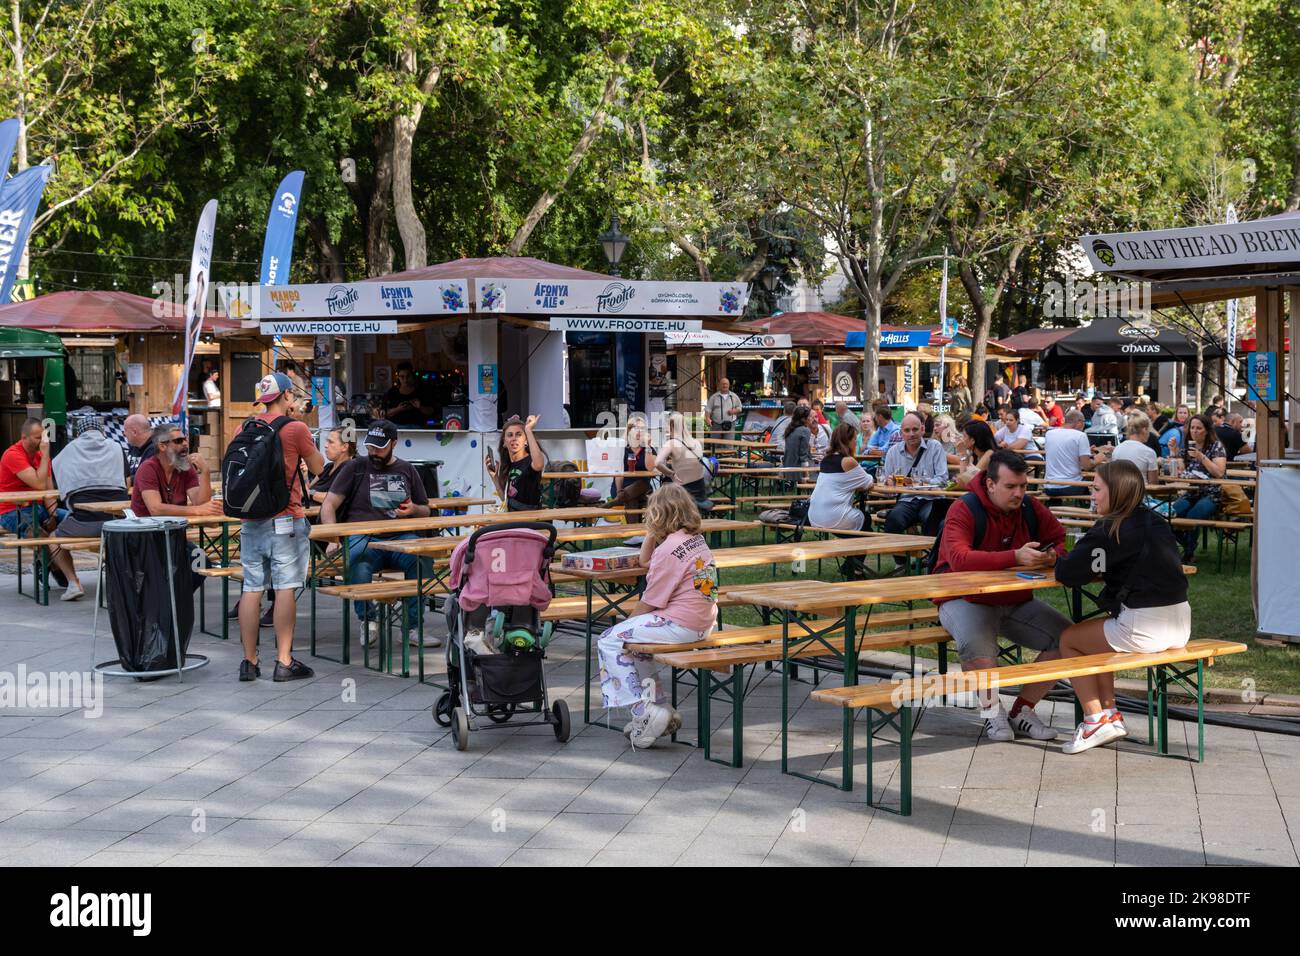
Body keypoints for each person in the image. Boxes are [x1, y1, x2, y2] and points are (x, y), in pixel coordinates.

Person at [932, 451, 1070, 742]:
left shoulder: (1030, 507)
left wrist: (1048, 557)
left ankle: (1021, 712)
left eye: (1023, 486)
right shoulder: (963, 508)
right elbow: (959, 559)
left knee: (1069, 639)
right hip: (962, 597)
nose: (1019, 493)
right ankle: (992, 713)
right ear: (990, 483)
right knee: (977, 644)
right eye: (1011, 487)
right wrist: (1015, 556)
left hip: (1014, 598)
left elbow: (1059, 539)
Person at [1054, 460, 1190, 753]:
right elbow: (1113, 560)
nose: (1092, 495)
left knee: (1069, 640)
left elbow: (1067, 573)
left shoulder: (1109, 528)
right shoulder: (1156, 522)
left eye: (1097, 489)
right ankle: (1110, 716)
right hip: (1180, 624)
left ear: (1115, 492)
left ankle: (1093, 721)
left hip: (1146, 626)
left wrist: (1052, 559)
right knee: (1098, 640)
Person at [596, 483, 719, 749]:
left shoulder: (669, 550)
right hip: (703, 623)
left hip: (681, 624)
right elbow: (644, 563)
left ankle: (643, 709)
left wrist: (624, 625)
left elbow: (650, 601)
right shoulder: (694, 541)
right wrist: (652, 533)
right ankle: (659, 707)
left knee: (608, 639)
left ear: (658, 514)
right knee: (638, 650)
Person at [237, 373, 325, 683]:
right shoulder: (296, 428)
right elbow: (319, 468)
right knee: (285, 587)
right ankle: (284, 661)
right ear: (286, 396)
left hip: (250, 520)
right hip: (285, 518)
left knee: (251, 588)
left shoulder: (244, 427)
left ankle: (249, 662)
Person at [320, 420, 437, 649]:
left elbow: (426, 509)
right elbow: (328, 505)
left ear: (394, 443)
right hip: (364, 536)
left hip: (401, 537)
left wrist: (414, 510)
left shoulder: (407, 469)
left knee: (422, 558)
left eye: (379, 447)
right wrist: (332, 538)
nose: (373, 452)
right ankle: (368, 620)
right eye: (370, 446)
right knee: (357, 561)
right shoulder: (355, 467)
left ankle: (413, 627)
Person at [879, 411, 949, 565]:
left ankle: (930, 561)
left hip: (931, 499)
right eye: (907, 430)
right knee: (893, 522)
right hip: (907, 500)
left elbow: (943, 479)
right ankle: (902, 564)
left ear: (923, 429)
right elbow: (886, 482)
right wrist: (889, 482)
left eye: (915, 429)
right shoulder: (893, 452)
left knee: (933, 521)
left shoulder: (935, 447)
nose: (911, 434)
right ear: (901, 433)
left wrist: (917, 482)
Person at [1170, 413, 1227, 563]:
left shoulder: (1216, 446)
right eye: (1192, 428)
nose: (1194, 431)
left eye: (1198, 428)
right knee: (1169, 515)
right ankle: (1188, 544)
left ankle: (1188, 554)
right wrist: (1173, 452)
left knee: (1192, 516)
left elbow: (1219, 473)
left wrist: (1201, 456)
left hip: (1212, 493)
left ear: (1207, 430)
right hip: (1192, 492)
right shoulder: (1188, 445)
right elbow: (1181, 470)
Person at [809, 423, 876, 531]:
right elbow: (869, 483)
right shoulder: (847, 461)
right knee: (866, 519)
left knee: (861, 520)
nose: (855, 443)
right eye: (854, 439)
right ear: (847, 441)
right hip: (834, 518)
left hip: (814, 516)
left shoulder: (826, 459)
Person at [0, 418, 57, 539]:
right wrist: (46, 455)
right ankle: (45, 557)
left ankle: (50, 556)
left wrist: (54, 515)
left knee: (70, 522)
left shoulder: (42, 456)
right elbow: (39, 485)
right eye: (38, 438)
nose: (43, 442)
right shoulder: (13, 455)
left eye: (43, 437)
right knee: (41, 536)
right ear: (24, 437)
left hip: (39, 508)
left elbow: (49, 490)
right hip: (13, 510)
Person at [487, 414, 546, 511]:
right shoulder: (509, 464)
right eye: (510, 435)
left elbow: (539, 464)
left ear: (526, 440)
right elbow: (506, 500)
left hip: (529, 522)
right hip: (513, 518)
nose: (514, 438)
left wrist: (528, 430)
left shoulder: (530, 461)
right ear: (504, 442)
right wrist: (495, 478)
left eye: (519, 434)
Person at [656, 412, 711, 505]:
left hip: (683, 495)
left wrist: (671, 474)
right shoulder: (696, 442)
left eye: (666, 425)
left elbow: (657, 463)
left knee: (659, 498)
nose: (665, 428)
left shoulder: (672, 443)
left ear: (671, 426)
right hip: (700, 493)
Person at [1042, 409, 1098, 498]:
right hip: (1070, 486)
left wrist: (1085, 451)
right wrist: (1097, 460)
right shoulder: (1080, 436)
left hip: (1049, 486)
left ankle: (1053, 507)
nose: (1084, 425)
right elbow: (1086, 466)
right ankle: (1086, 508)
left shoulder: (1049, 434)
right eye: (1084, 422)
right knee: (1094, 480)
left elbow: (1064, 452)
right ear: (1079, 422)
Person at [606, 415, 657, 510]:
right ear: (629, 430)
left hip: (643, 488)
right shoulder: (621, 448)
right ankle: (620, 497)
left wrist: (647, 446)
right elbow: (618, 473)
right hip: (622, 487)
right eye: (636, 428)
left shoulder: (649, 449)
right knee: (631, 498)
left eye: (642, 429)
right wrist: (619, 491)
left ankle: (617, 500)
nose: (640, 431)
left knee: (641, 484)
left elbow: (650, 468)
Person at [308, 427, 357, 505]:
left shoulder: (350, 469)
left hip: (318, 515)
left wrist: (310, 493)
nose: (325, 445)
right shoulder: (328, 467)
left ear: (344, 447)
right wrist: (303, 474)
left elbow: (337, 498)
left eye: (330, 442)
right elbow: (308, 488)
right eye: (327, 441)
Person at [1107, 411, 1159, 482]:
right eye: (1149, 430)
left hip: (1120, 491)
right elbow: (1153, 483)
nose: (1149, 434)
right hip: (1141, 492)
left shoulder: (1117, 449)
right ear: (1144, 429)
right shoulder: (1149, 452)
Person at [383, 362, 435, 427]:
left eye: (408, 376)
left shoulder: (422, 390)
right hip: (397, 427)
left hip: (417, 427)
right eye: (402, 376)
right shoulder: (392, 392)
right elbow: (385, 414)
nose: (405, 380)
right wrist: (398, 409)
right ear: (398, 377)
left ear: (412, 375)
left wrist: (420, 407)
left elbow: (431, 411)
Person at [954, 419, 997, 487]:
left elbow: (966, 481)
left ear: (973, 440)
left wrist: (962, 453)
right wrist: (963, 454)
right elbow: (963, 478)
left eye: (964, 436)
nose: (961, 439)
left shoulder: (989, 454)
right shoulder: (973, 456)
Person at [780, 405, 813, 473]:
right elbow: (803, 453)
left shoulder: (790, 429)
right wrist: (805, 474)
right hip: (797, 470)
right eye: (809, 416)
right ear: (803, 419)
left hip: (787, 467)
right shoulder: (805, 430)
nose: (811, 418)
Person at [122, 414, 156, 480]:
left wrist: (124, 480)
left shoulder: (155, 449)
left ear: (134, 432)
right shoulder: (133, 446)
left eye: (125, 430)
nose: (124, 434)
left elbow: (145, 476)